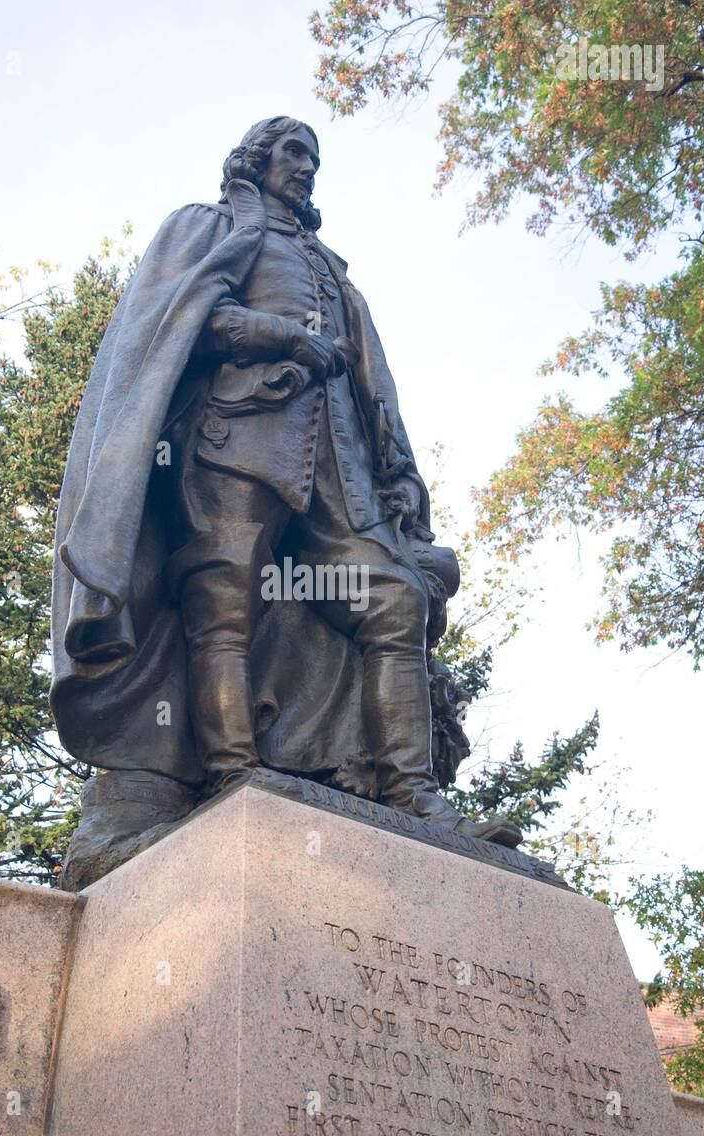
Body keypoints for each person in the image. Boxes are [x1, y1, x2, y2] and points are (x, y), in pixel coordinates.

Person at [52, 116, 519, 887]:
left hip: (340, 469)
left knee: (393, 601)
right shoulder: (211, 227)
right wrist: (283, 337)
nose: (306, 168)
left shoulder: (334, 270)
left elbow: (373, 386)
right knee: (223, 597)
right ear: (254, 160)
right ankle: (234, 776)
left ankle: (415, 793)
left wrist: (401, 472)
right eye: (293, 154)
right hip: (237, 439)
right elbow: (181, 321)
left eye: (313, 158)